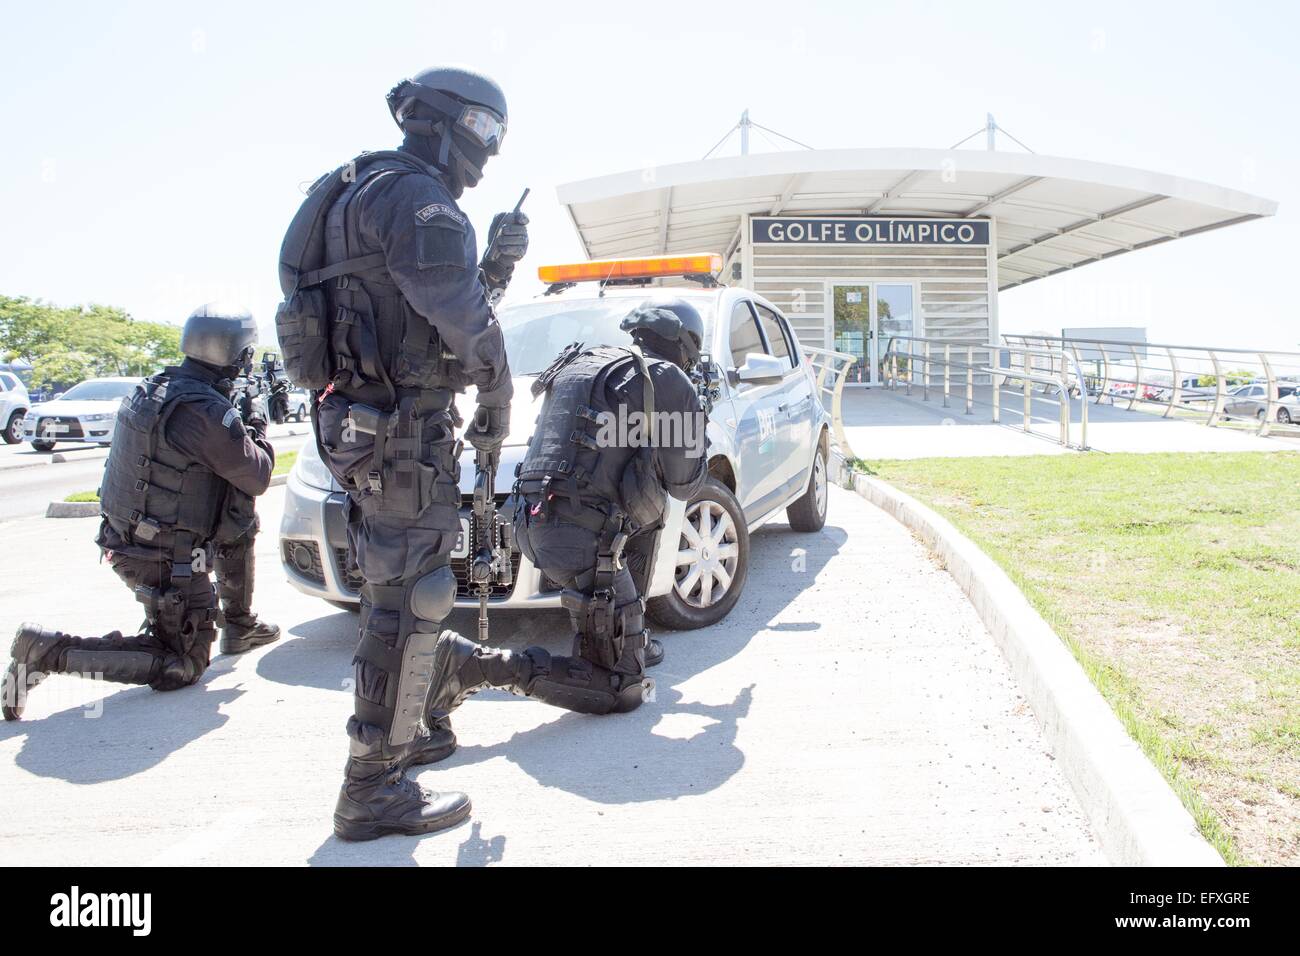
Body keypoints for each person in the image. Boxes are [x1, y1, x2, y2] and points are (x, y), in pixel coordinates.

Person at [278, 66, 525, 841]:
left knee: (393, 594)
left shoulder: (343, 190)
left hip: (356, 425)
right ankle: (372, 786)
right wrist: (498, 396)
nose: (488, 150)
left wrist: (499, 264)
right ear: (444, 121)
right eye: (485, 129)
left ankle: (404, 732)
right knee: (411, 599)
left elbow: (408, 309)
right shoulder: (418, 195)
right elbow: (461, 323)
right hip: (403, 432)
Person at [423, 298, 708, 722]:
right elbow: (685, 482)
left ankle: (628, 632)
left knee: (647, 514)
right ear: (685, 345)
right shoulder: (666, 378)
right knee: (623, 689)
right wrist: (695, 417)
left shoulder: (586, 363)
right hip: (582, 540)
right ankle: (473, 665)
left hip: (530, 521)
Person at [2, 303, 278, 720]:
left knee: (238, 512)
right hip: (163, 562)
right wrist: (255, 423)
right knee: (181, 663)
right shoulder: (204, 412)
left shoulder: (157, 387)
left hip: (132, 541)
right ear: (237, 355)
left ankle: (238, 623)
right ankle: (46, 651)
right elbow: (257, 475)